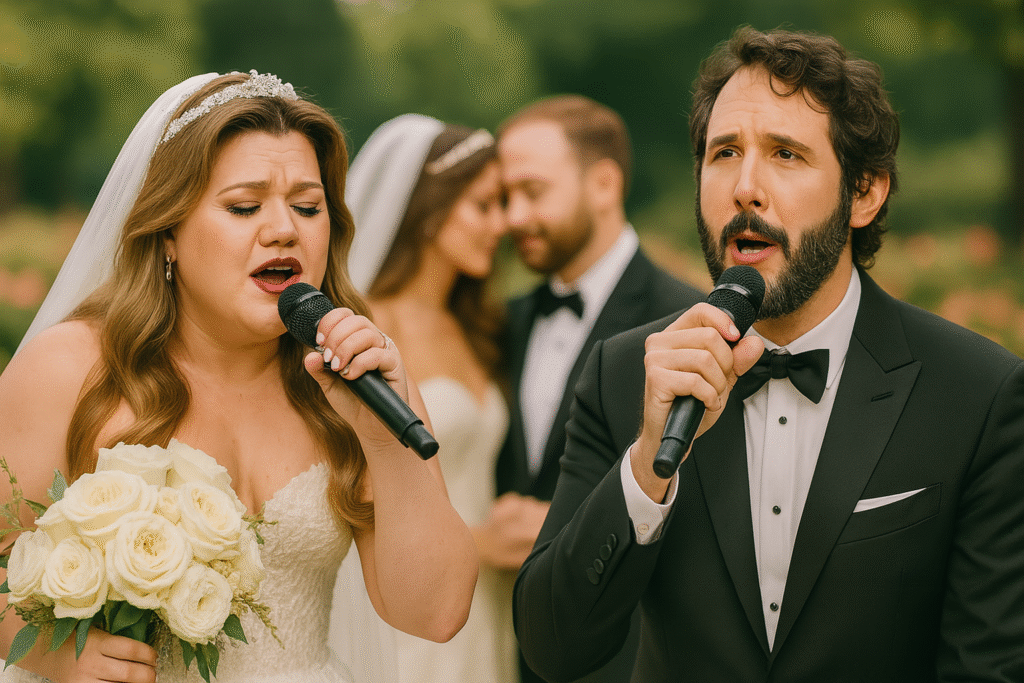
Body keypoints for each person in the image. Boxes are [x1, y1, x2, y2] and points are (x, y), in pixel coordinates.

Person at [513, 26, 1024, 682]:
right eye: (724, 152)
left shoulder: (979, 394)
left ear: (864, 193)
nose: (745, 187)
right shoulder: (625, 372)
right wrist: (644, 469)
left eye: (785, 153)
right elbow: (552, 648)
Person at [0, 71, 478, 683]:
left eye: (308, 207)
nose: (284, 229)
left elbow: (436, 613)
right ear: (168, 232)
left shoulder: (357, 374)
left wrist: (383, 439)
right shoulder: (71, 367)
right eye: (244, 207)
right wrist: (51, 651)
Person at [486, 94, 704, 683]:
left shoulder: (687, 324)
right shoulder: (507, 321)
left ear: (604, 184)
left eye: (532, 191)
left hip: (630, 658)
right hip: (511, 647)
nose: (512, 217)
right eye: (505, 196)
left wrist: (569, 528)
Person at [328, 113, 515, 682]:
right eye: (483, 205)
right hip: (406, 607)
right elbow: (350, 488)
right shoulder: (366, 330)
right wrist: (478, 543)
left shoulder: (475, 326)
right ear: (430, 211)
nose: (502, 224)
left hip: (489, 603)